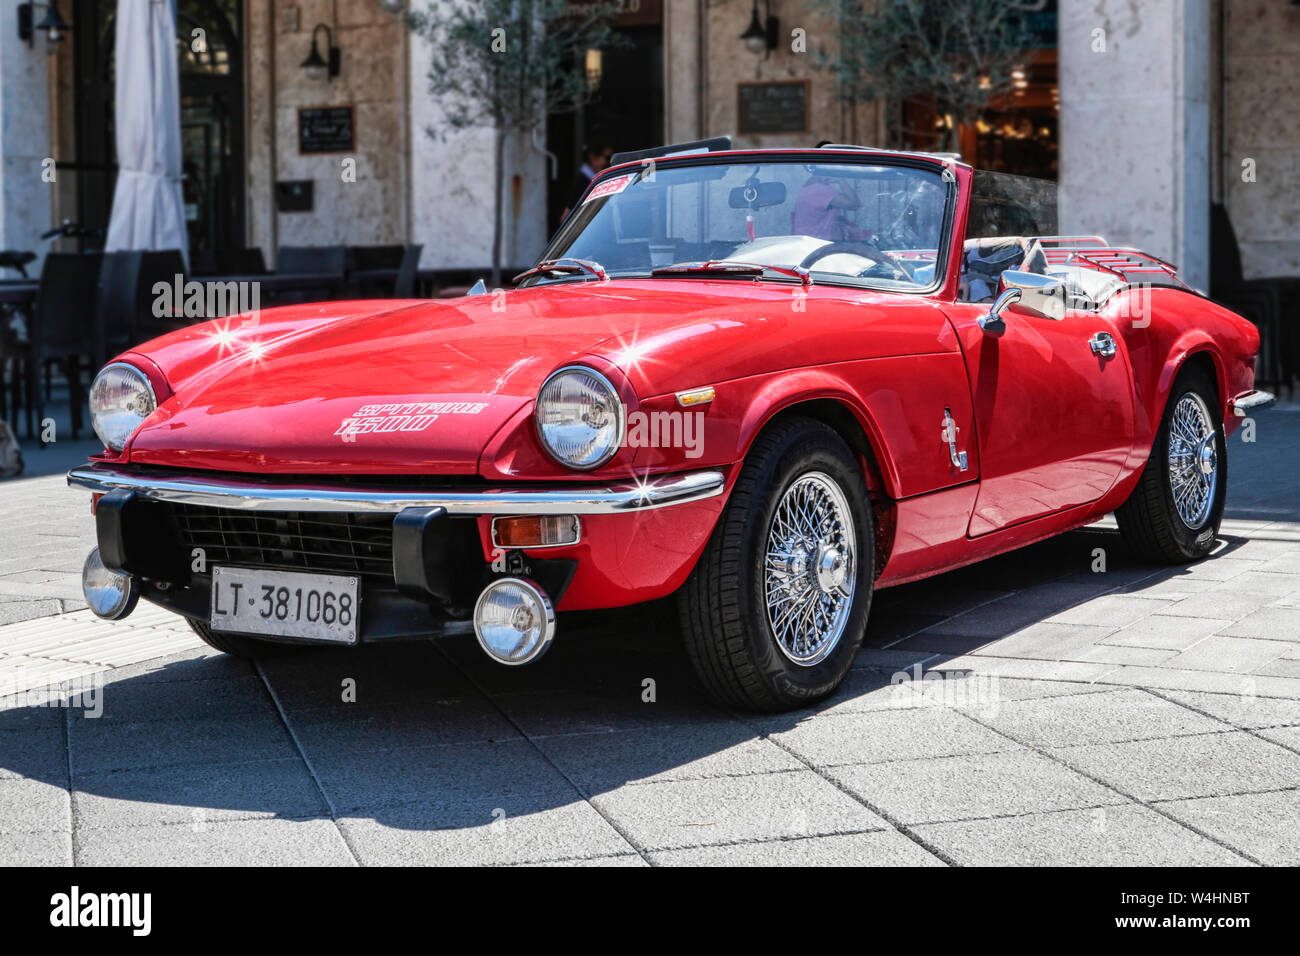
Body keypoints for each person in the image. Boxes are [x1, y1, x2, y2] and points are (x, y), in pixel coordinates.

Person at [792, 169, 865, 241]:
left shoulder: (806, 190)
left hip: (807, 241)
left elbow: (816, 216)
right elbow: (854, 204)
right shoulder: (820, 190)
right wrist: (841, 180)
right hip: (821, 243)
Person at [561, 138, 615, 220]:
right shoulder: (581, 182)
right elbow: (565, 217)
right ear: (593, 157)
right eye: (608, 158)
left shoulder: (597, 178)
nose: (610, 163)